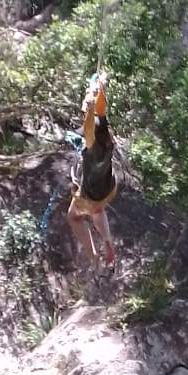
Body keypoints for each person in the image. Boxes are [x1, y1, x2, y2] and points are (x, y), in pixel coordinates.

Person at [68, 71, 118, 267]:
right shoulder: (105, 131)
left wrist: (88, 107)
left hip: (91, 196)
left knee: (73, 217)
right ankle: (107, 240)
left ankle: (94, 256)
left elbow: (88, 129)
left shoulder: (93, 142)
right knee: (97, 210)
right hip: (108, 188)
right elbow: (101, 110)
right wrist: (100, 87)